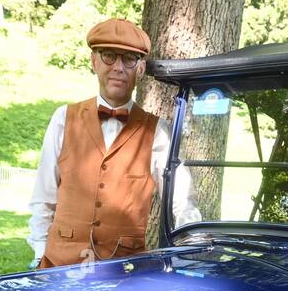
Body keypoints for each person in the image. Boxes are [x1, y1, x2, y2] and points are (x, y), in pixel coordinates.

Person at [26, 17, 200, 269]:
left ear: (140, 69)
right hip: (59, 267)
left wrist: (192, 247)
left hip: (123, 272)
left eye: (129, 59)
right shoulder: (64, 118)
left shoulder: (157, 131)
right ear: (94, 61)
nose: (118, 67)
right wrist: (40, 253)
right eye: (109, 56)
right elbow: (44, 196)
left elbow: (181, 199)